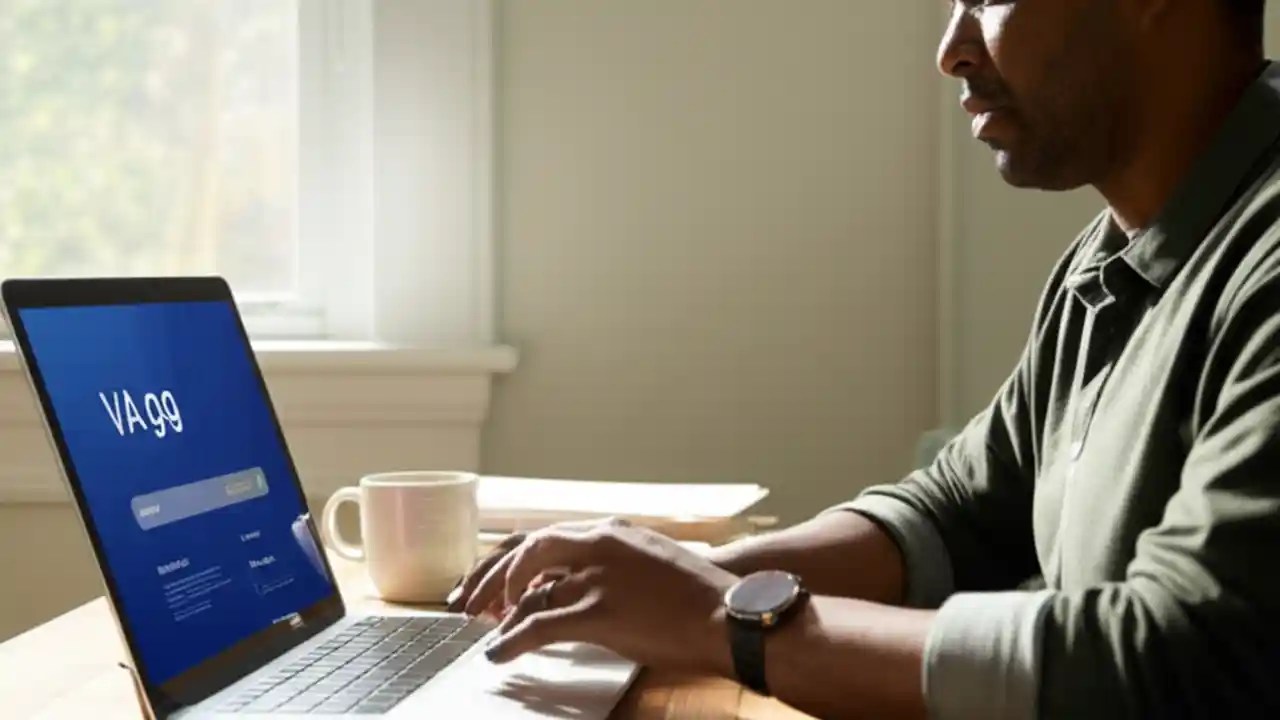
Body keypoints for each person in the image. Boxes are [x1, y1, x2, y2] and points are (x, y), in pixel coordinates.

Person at [450, 0, 1280, 717]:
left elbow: (1184, 658)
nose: (952, 47)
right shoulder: (1111, 260)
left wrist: (724, 622)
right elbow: (962, 508)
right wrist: (681, 579)